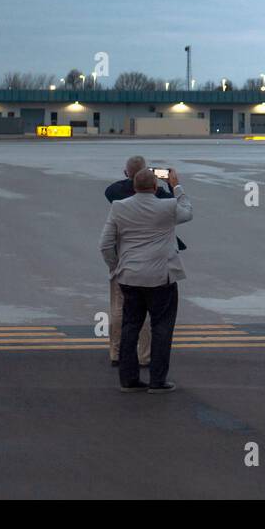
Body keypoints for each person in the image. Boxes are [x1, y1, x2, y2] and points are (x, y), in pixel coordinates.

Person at [99, 167, 192, 393]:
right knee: (161, 327)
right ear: (154, 187)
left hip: (130, 276)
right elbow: (187, 211)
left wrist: (116, 266)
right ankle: (157, 381)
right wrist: (176, 185)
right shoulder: (168, 206)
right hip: (162, 277)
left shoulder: (119, 207)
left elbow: (105, 244)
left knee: (131, 326)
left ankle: (129, 380)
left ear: (133, 186)